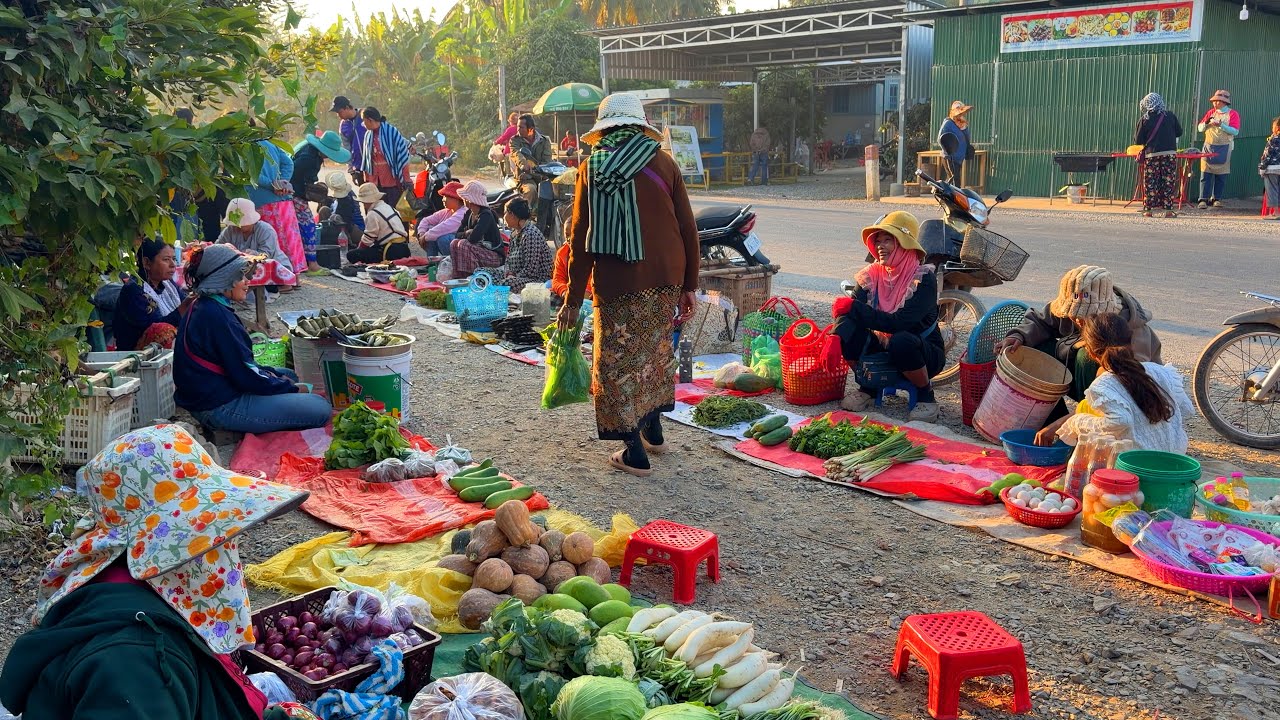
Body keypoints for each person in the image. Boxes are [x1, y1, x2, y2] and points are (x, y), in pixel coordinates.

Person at [0, 423, 313, 720]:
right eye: (211, 531)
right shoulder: (135, 664)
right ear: (174, 539)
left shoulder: (121, 580)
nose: (227, 545)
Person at [556, 93, 700, 477]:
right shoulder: (664, 162)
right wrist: (690, 285)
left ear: (604, 129)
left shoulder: (592, 167)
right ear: (638, 125)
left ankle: (634, 450)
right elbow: (687, 227)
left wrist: (571, 300)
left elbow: (582, 239)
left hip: (618, 282)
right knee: (653, 353)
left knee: (615, 366)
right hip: (666, 277)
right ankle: (653, 428)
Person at [173, 245, 331, 433]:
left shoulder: (203, 304)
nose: (247, 281)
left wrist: (284, 382)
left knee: (289, 375)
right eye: (240, 276)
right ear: (225, 279)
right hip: (218, 406)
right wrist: (292, 390)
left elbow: (240, 368)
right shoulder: (218, 317)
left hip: (208, 392)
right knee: (320, 408)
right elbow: (247, 376)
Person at [996, 265, 1162, 424]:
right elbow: (1041, 321)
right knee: (1032, 347)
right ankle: (1052, 420)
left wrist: (1082, 420)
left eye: (1084, 317)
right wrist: (1019, 336)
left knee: (1085, 356)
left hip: (1119, 394)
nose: (1076, 320)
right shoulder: (1072, 310)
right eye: (1074, 315)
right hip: (1077, 378)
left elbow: (1129, 389)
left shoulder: (1133, 333)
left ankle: (1076, 428)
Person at [833, 211, 944, 423]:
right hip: (883, 346)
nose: (880, 247)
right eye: (878, 241)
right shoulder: (871, 274)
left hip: (922, 352)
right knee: (846, 330)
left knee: (901, 339)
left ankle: (925, 395)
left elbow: (899, 323)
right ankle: (868, 387)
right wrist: (835, 336)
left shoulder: (923, 279)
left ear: (905, 244)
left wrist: (852, 308)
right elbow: (850, 310)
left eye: (888, 241)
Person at [1043, 314, 1193, 454]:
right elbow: (1186, 409)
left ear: (1090, 352)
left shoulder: (1103, 385)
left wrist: (1077, 422)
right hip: (1176, 458)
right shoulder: (1159, 371)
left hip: (1135, 464)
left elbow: (1120, 421)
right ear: (1132, 341)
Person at [113, 238, 188, 352]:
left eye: (173, 259)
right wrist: (184, 308)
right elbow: (157, 329)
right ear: (147, 262)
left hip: (162, 349)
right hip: (137, 354)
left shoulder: (167, 284)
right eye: (166, 259)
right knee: (162, 330)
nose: (173, 265)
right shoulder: (134, 290)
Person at [291, 131, 351, 272]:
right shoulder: (307, 158)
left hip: (294, 194)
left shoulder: (309, 149)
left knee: (296, 229)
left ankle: (300, 263)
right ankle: (312, 264)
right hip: (294, 195)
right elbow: (291, 173)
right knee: (309, 227)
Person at [248, 135, 305, 280]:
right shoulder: (270, 143)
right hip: (283, 201)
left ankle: (283, 279)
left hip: (263, 201)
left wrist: (273, 185)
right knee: (290, 241)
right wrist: (282, 182)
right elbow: (288, 163)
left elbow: (252, 175)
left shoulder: (243, 147)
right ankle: (294, 278)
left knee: (273, 242)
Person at [481, 198, 553, 293]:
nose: (504, 216)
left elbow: (530, 271)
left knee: (507, 283)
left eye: (505, 212)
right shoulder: (515, 232)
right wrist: (508, 272)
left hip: (535, 280)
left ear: (513, 215)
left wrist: (513, 277)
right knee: (482, 272)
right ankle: (494, 287)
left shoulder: (530, 234)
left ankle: (494, 289)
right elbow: (508, 260)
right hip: (515, 276)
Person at [1134, 92, 1184, 218]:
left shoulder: (1145, 119)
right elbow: (1179, 132)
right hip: (1169, 154)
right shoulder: (1170, 116)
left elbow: (1138, 141)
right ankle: (1168, 211)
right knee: (1168, 181)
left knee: (1151, 182)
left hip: (1152, 155)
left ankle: (1148, 211)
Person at [217, 198, 294, 274]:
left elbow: (266, 255)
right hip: (243, 269)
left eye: (242, 224)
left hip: (274, 270)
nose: (238, 227)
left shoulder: (266, 230)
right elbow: (218, 247)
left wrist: (247, 254)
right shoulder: (230, 230)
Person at [359, 106, 410, 209]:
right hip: (375, 182)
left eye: (364, 121)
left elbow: (402, 155)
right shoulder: (368, 135)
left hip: (391, 180)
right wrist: (367, 179)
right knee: (378, 210)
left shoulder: (391, 132)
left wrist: (406, 178)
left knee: (395, 209)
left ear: (370, 120)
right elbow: (367, 159)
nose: (363, 124)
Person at [450, 180, 505, 277]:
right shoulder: (469, 213)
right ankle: (460, 276)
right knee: (454, 243)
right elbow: (457, 234)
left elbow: (473, 238)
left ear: (469, 200)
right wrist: (467, 232)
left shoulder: (486, 215)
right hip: (478, 251)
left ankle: (473, 278)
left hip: (494, 255)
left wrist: (467, 234)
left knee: (463, 244)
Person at [1197, 89, 1240, 209]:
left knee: (1221, 174)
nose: (1215, 103)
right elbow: (1200, 128)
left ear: (1224, 102)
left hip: (1225, 147)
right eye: (1214, 101)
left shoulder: (1233, 114)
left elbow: (1235, 131)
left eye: (1218, 101)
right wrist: (1206, 123)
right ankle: (1203, 199)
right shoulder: (1210, 112)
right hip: (1209, 146)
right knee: (1205, 173)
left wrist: (1221, 125)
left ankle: (1217, 198)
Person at [347, 182, 409, 264]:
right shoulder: (388, 207)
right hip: (404, 248)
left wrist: (359, 250)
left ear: (367, 202)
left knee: (351, 255)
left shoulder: (372, 214)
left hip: (391, 252)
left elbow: (368, 239)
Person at [511, 114, 554, 231]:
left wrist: (545, 169)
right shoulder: (515, 140)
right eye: (518, 127)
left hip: (541, 177)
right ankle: (524, 223)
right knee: (531, 190)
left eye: (521, 127)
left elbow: (547, 160)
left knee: (554, 192)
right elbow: (516, 154)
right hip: (525, 178)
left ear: (531, 129)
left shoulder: (544, 141)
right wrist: (524, 165)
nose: (518, 130)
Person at [417, 180, 465, 256]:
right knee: (430, 232)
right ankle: (432, 263)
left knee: (443, 238)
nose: (443, 200)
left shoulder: (463, 212)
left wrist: (425, 237)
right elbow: (425, 220)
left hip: (465, 248)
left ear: (456, 198)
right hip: (457, 245)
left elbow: (444, 227)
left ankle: (452, 263)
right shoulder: (446, 211)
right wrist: (422, 233)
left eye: (446, 197)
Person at [331, 95, 367, 184]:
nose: (338, 115)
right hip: (358, 167)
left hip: (374, 165)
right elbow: (346, 149)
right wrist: (351, 171)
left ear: (347, 108)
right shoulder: (343, 126)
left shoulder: (365, 116)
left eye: (339, 112)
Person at [324, 170, 364, 241]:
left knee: (333, 216)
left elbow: (346, 221)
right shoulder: (348, 195)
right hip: (354, 226)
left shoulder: (347, 200)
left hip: (353, 228)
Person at [1261, 116, 1280, 218]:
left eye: (1273, 126)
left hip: (1272, 168)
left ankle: (1275, 213)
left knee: (1272, 190)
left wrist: (1262, 168)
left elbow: (1267, 155)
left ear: (1277, 128)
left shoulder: (1273, 139)